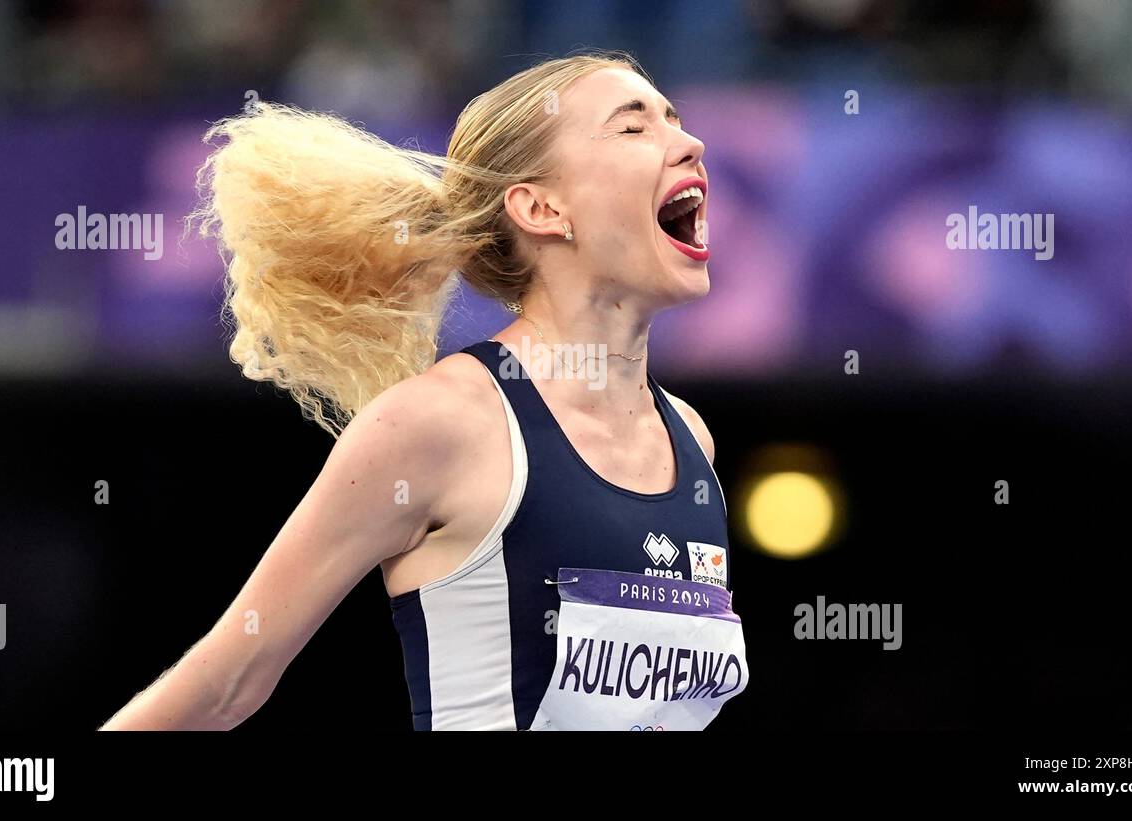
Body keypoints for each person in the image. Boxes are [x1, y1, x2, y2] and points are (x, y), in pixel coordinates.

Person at [101, 50, 748, 732]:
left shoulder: (690, 440)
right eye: (634, 126)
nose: (692, 142)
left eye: (673, 118)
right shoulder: (440, 423)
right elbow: (223, 685)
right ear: (540, 206)